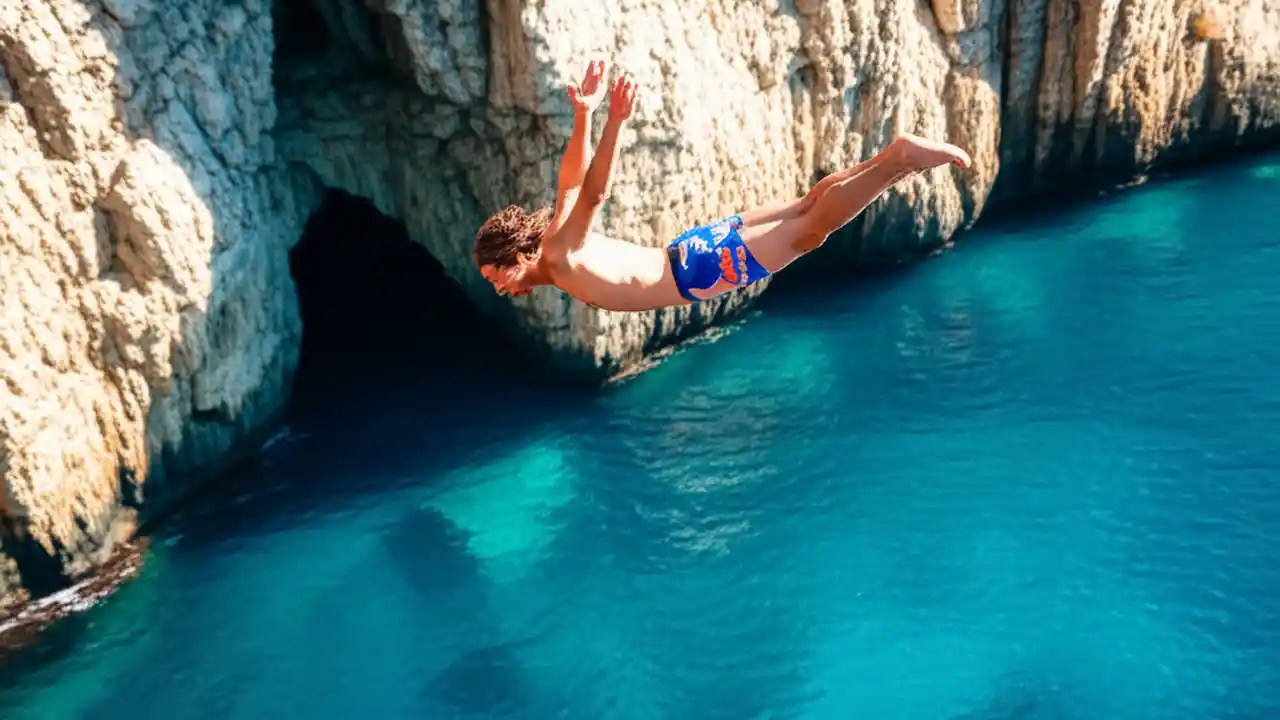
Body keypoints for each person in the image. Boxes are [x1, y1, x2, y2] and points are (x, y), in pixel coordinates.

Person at [473, 60, 972, 312]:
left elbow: (595, 192)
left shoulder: (558, 256)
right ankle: (894, 158)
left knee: (810, 231)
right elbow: (571, 180)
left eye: (496, 276)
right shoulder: (557, 238)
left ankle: (900, 160)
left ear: (515, 256)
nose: (499, 288)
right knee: (808, 206)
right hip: (690, 250)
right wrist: (584, 114)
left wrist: (615, 121)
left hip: (700, 271)